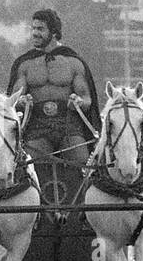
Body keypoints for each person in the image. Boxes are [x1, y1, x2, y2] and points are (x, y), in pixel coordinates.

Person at [7, 9, 99, 166]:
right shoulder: (24, 64)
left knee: (85, 166)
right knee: (29, 167)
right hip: (36, 127)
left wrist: (78, 101)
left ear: (54, 32)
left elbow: (87, 100)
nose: (35, 33)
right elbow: (12, 101)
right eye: (33, 28)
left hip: (69, 126)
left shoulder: (74, 63)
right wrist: (22, 101)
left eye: (40, 29)